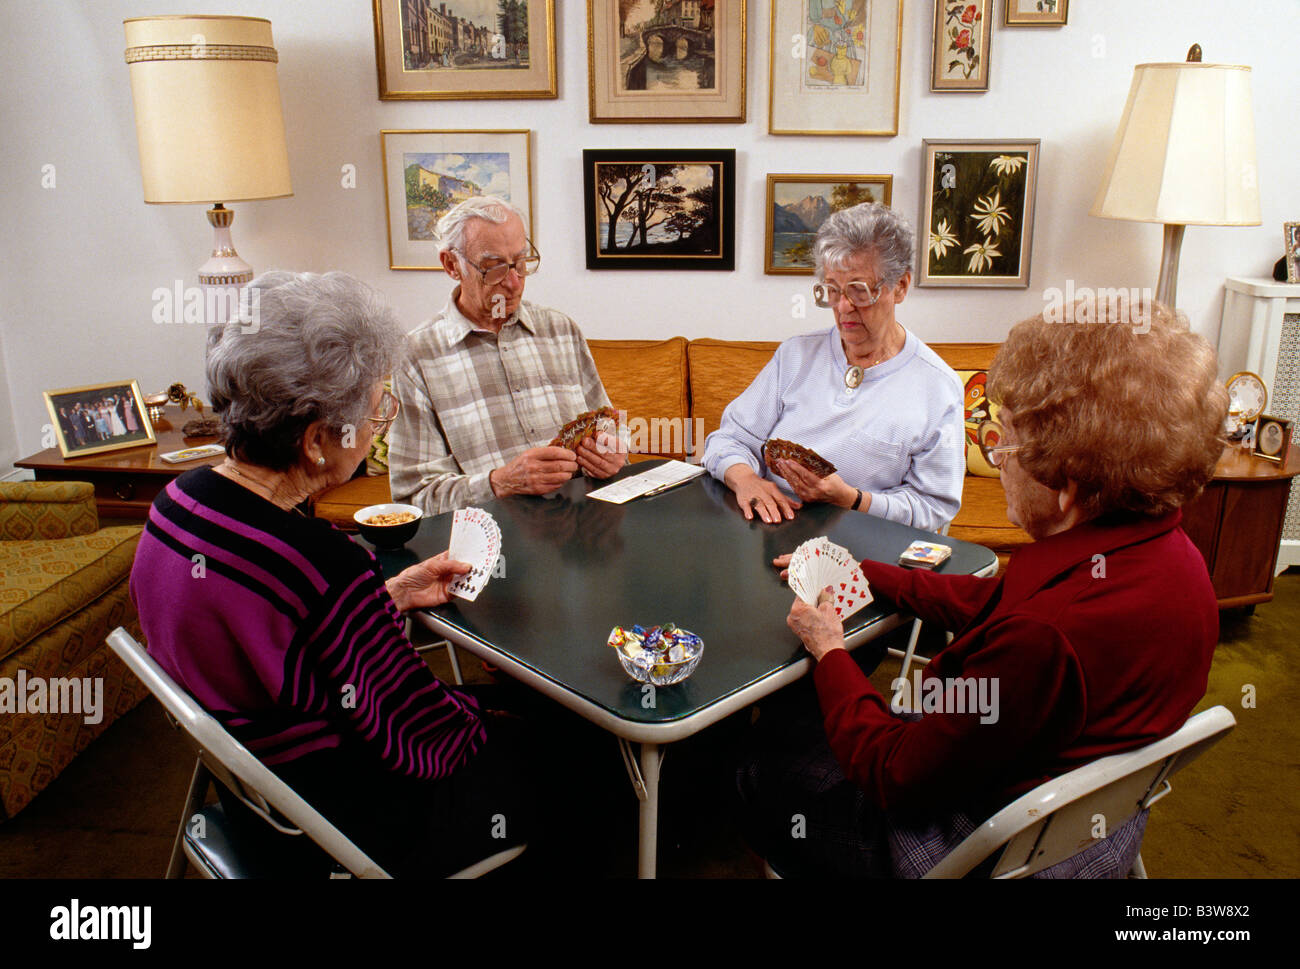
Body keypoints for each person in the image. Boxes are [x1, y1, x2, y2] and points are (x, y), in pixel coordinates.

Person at [739, 296, 1227, 878]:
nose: (996, 458)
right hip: (1094, 827)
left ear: (1067, 485)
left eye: (1007, 445)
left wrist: (831, 650)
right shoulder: (1175, 562)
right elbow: (999, 604)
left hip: (964, 847)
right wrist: (868, 572)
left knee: (761, 756)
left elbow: (891, 773)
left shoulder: (1041, 641)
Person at [130, 270, 531, 877]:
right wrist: (509, 726)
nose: (379, 426)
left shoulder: (177, 503)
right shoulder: (324, 565)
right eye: (376, 411)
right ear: (318, 440)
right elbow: (425, 734)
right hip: (344, 816)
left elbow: (279, 632)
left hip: (254, 781)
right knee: (564, 755)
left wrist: (384, 597)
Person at [702, 202, 964, 532]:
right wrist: (745, 480)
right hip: (768, 529)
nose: (843, 307)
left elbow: (933, 508)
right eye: (832, 290)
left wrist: (851, 499)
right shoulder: (795, 355)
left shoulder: (938, 387)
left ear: (901, 286)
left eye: (859, 291)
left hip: (862, 541)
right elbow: (726, 441)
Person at [389, 196, 626, 516]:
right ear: (451, 265)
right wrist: (500, 483)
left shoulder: (560, 330)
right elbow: (413, 498)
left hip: (583, 533)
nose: (514, 282)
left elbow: (610, 430)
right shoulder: (417, 357)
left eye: (520, 262)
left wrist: (611, 454)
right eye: (493, 267)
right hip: (492, 541)